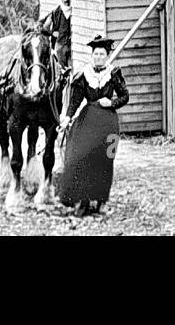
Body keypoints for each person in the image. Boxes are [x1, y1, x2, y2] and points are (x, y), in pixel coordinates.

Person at [57, 35, 128, 217]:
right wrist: (66, 118)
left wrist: (111, 103)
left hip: (108, 123)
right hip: (87, 119)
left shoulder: (113, 74)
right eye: (95, 54)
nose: (98, 57)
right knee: (78, 154)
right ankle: (81, 198)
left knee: (105, 159)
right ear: (92, 55)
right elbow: (75, 101)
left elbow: (125, 96)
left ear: (107, 56)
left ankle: (102, 200)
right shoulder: (84, 75)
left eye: (101, 54)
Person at [45, 0, 71, 70]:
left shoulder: (73, 10)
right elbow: (47, 28)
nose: (66, 0)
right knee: (62, 68)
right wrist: (52, 34)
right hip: (61, 44)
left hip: (71, 44)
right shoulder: (56, 12)